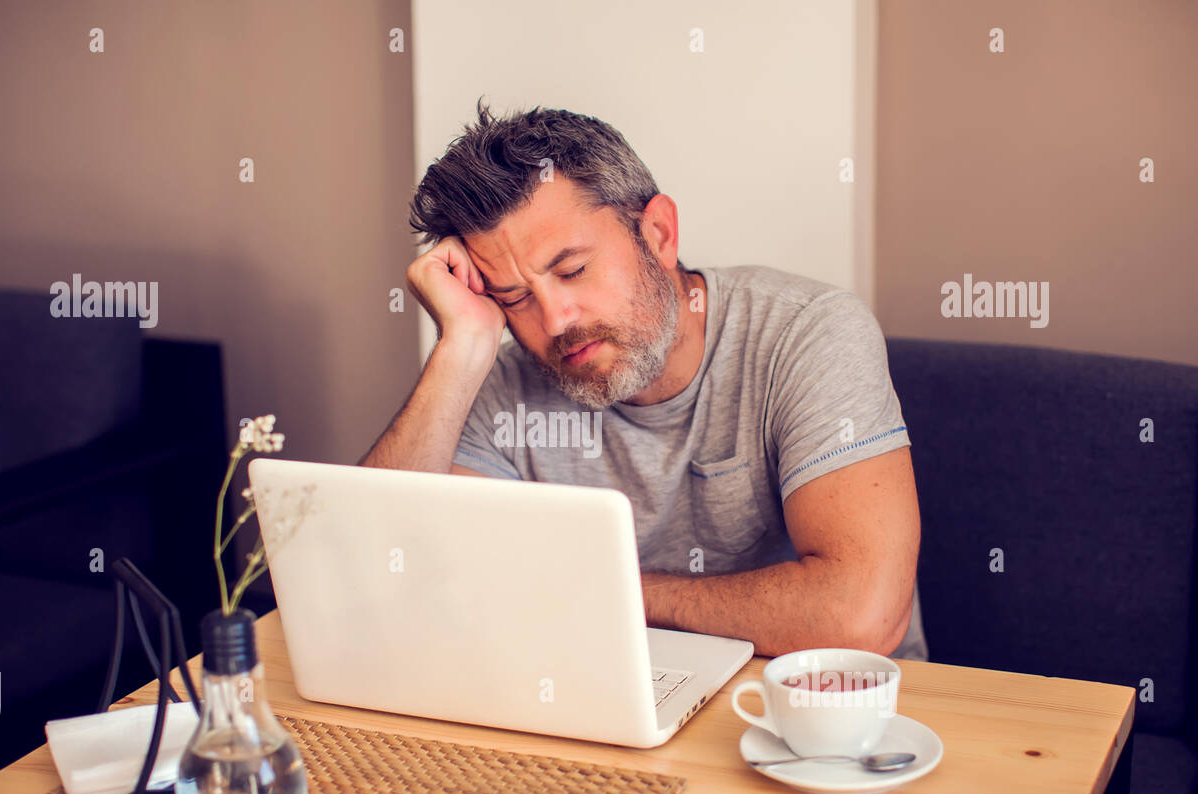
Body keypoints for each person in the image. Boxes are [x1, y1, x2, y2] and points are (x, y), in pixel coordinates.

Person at [360, 99, 926, 661]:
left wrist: (612, 594)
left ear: (658, 232)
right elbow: (370, 585)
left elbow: (860, 615)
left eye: (572, 270)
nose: (556, 320)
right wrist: (461, 347)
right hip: (600, 705)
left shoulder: (810, 332)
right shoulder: (503, 380)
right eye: (515, 298)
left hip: (823, 719)